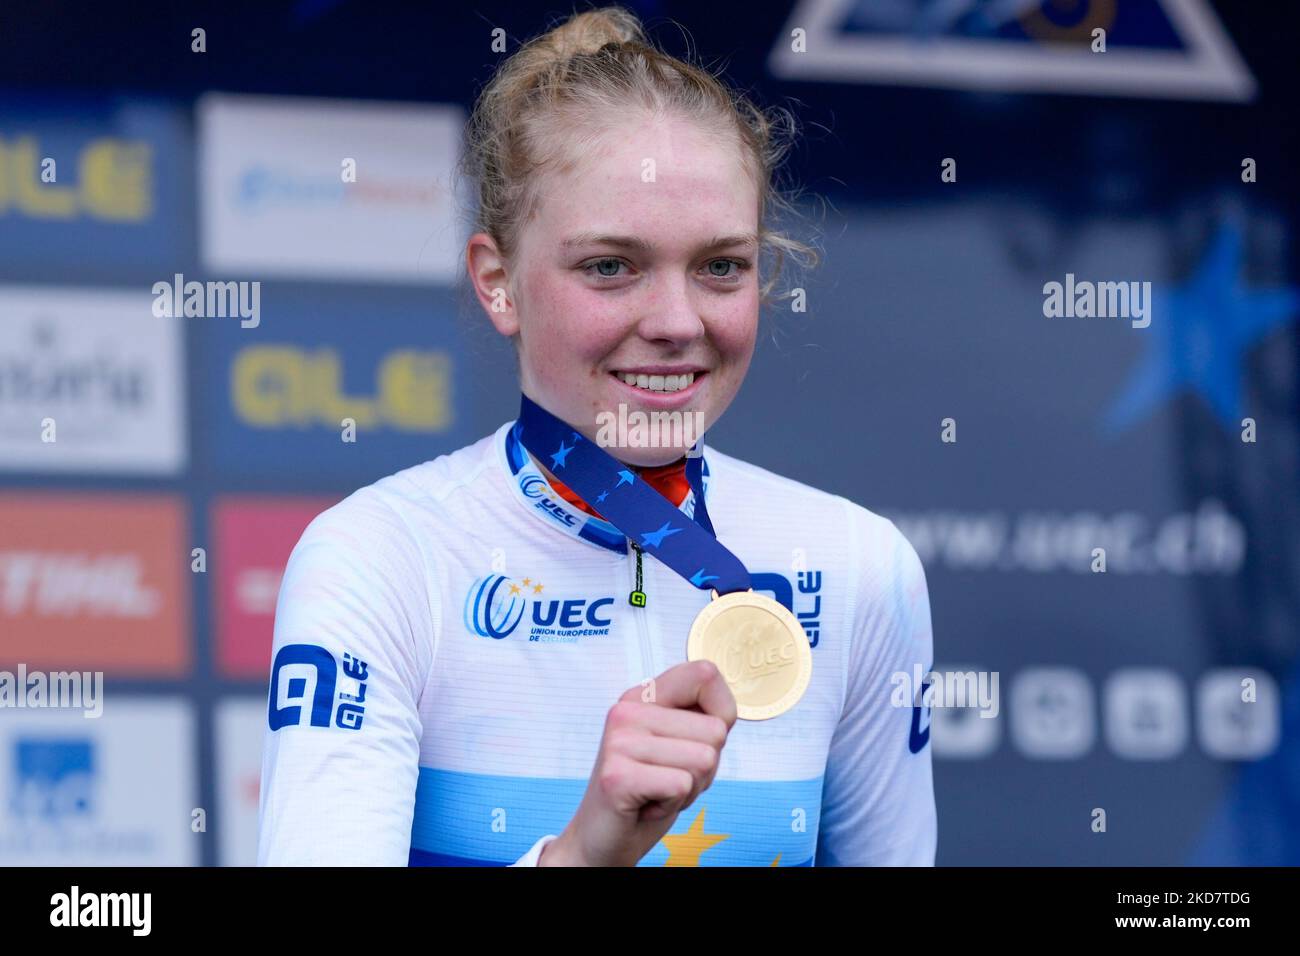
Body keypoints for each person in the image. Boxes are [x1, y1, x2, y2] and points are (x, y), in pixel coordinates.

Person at [257, 5, 936, 867]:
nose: (676, 321)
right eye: (610, 267)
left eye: (720, 266)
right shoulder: (382, 558)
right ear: (498, 284)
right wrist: (582, 855)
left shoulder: (858, 568)